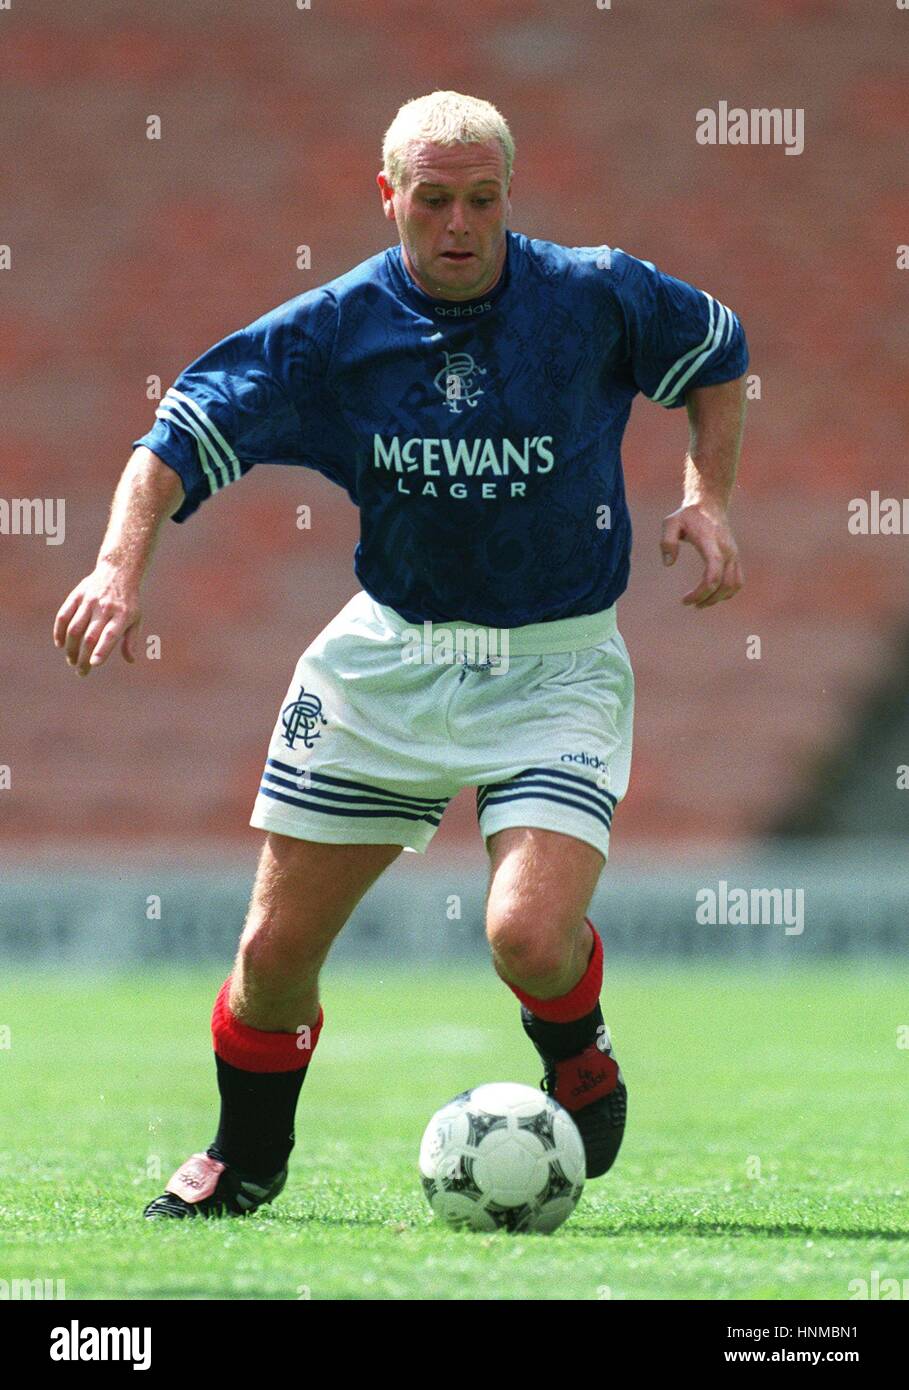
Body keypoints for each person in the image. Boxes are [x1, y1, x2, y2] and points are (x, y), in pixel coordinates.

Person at [53, 90, 748, 1219]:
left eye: (482, 198)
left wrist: (706, 498)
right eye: (434, 200)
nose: (460, 223)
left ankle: (578, 1052)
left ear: (509, 195)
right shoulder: (337, 329)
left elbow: (719, 350)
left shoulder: (592, 293)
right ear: (390, 198)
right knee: (273, 957)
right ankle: (249, 1154)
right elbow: (175, 430)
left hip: (555, 664)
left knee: (527, 936)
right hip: (388, 662)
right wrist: (116, 568)